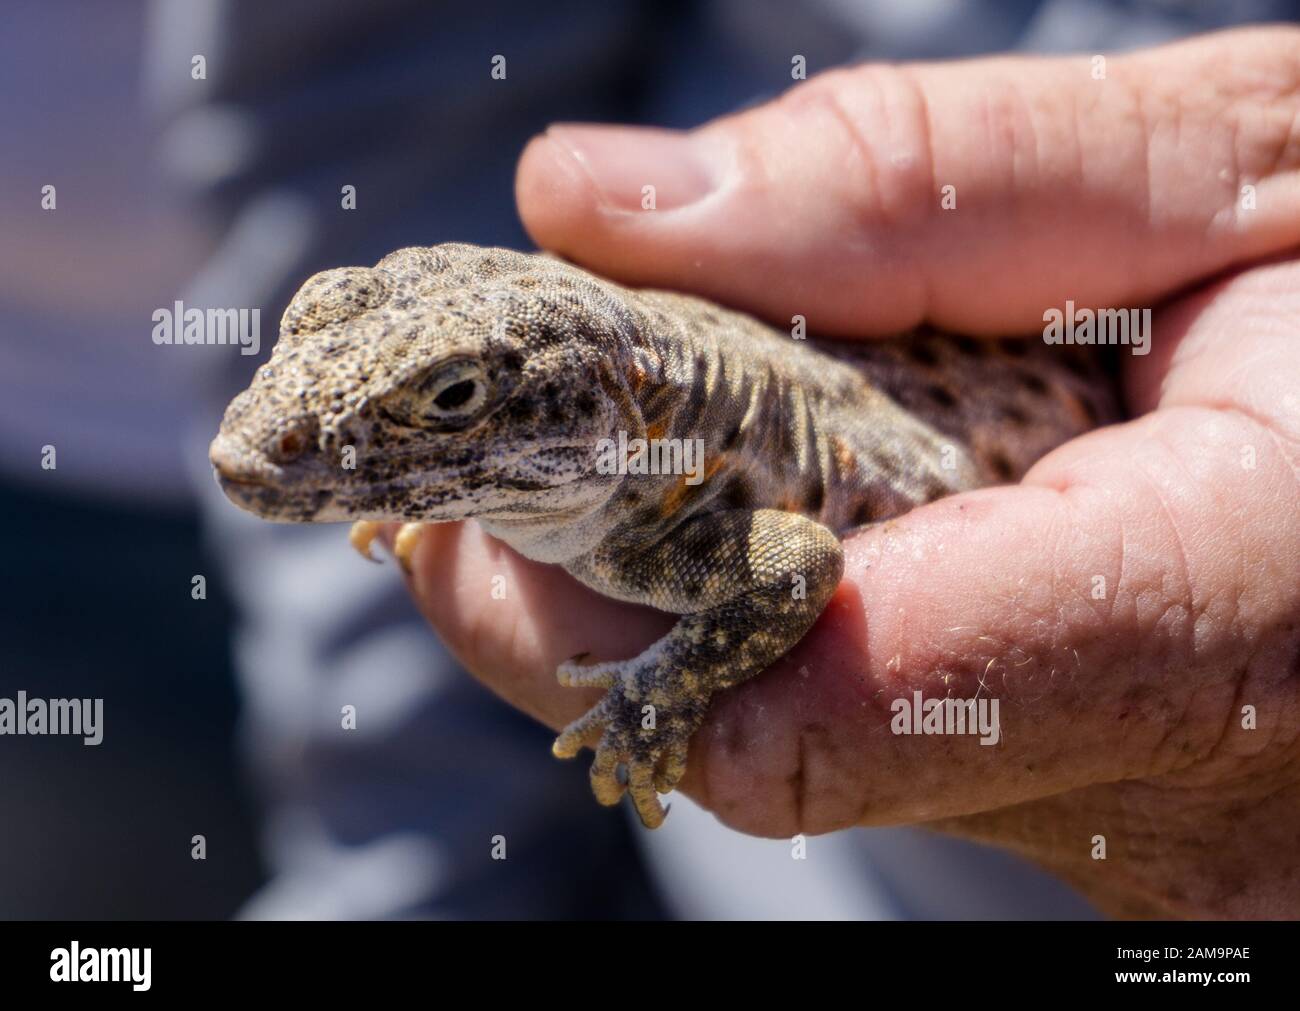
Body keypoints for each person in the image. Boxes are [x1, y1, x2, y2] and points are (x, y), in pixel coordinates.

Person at [382, 26, 1300, 918]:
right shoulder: (582, 446)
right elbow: (334, 95)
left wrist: (659, 689)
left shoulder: (656, 526)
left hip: (1114, 384)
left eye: (450, 400)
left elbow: (790, 568)